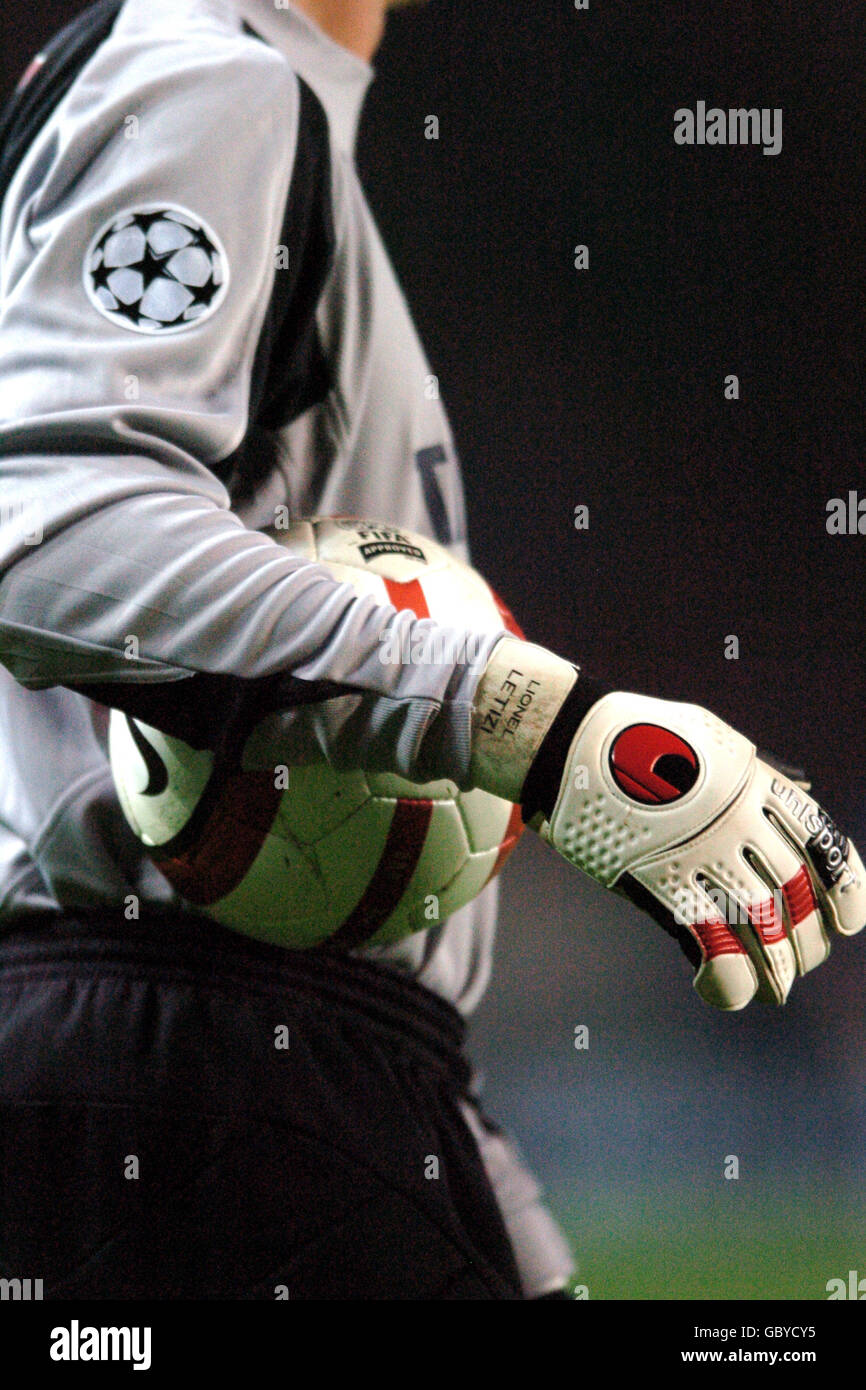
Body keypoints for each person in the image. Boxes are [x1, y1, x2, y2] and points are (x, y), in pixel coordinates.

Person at [0, 0, 862, 1301]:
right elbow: (54, 536)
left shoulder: (215, 93)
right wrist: (542, 725)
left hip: (262, 1064)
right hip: (205, 1064)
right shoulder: (201, 81)